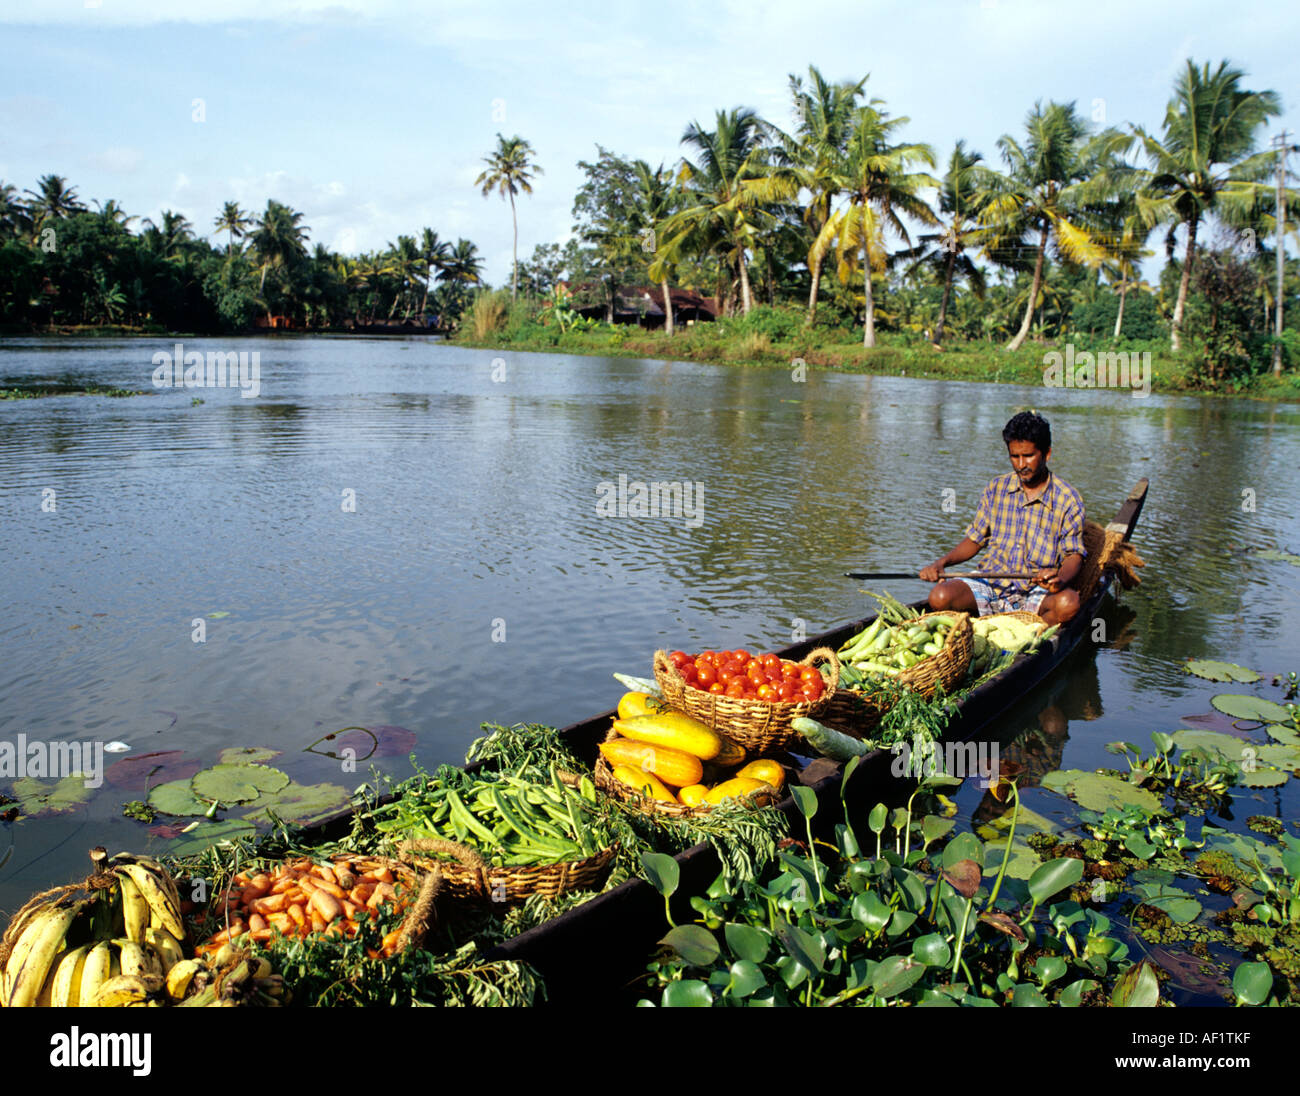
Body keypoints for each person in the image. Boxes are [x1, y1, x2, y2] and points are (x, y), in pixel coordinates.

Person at [919, 411, 1085, 625]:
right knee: (939, 597)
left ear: (1047, 454)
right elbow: (975, 539)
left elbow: (1074, 555)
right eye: (1014, 457)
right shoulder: (996, 488)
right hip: (991, 583)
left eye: (1028, 456)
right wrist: (941, 563)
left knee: (1068, 604)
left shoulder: (1067, 499)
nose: (1021, 464)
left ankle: (1032, 632)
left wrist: (1059, 578)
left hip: (1036, 590)